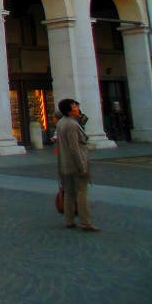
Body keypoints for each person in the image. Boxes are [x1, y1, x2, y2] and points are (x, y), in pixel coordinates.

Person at [56, 98, 98, 232]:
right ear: (69, 110)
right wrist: (82, 167)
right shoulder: (72, 125)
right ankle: (85, 222)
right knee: (81, 193)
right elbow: (74, 148)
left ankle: (69, 220)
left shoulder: (61, 123)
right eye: (75, 107)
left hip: (65, 164)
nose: (77, 109)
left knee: (68, 192)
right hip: (75, 164)